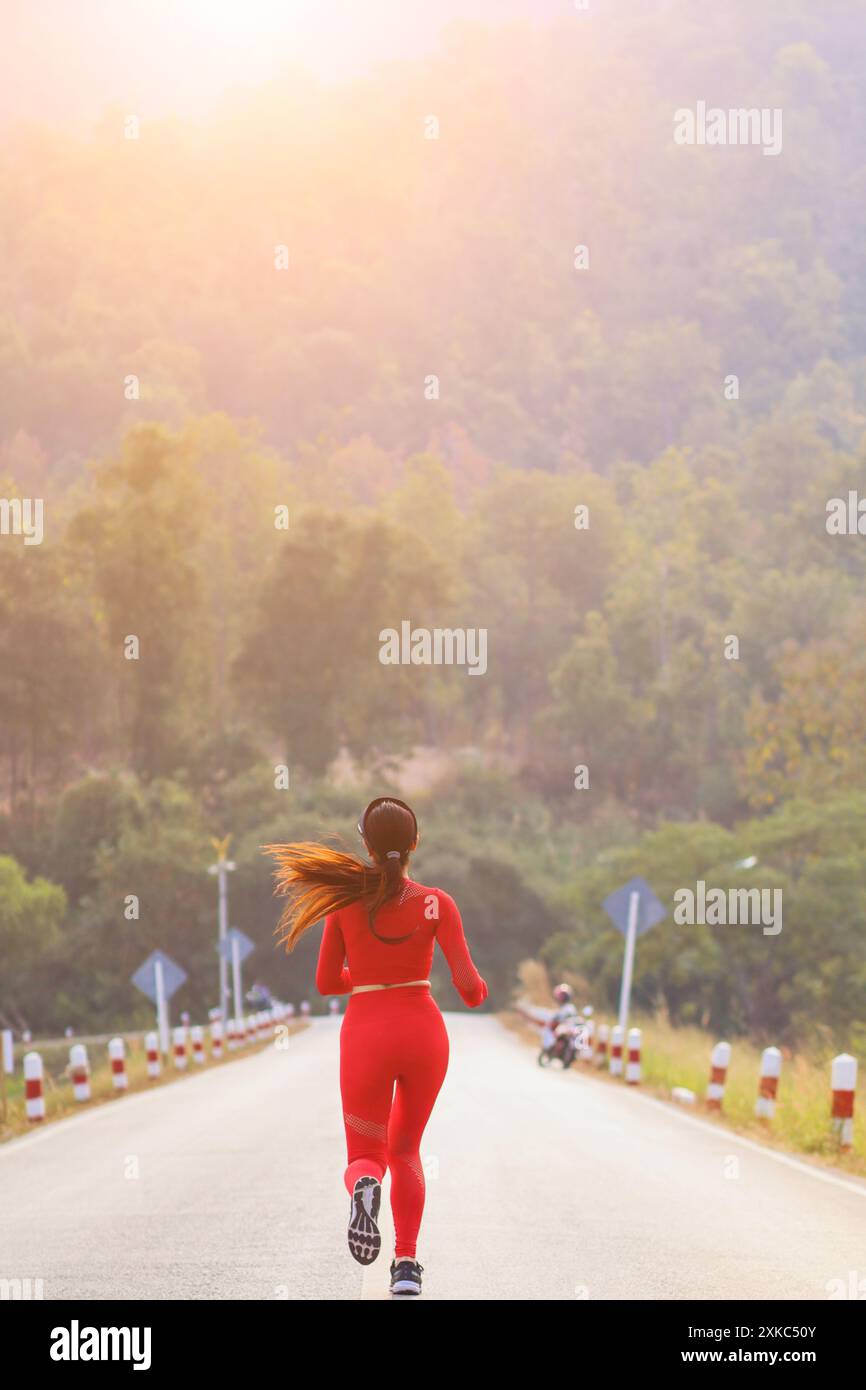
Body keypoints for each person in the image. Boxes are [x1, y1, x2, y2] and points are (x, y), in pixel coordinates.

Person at [264, 797, 487, 1297]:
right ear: (414, 844)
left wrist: (366, 978)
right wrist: (475, 987)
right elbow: (470, 988)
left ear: (365, 844)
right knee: (407, 1147)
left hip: (366, 1033)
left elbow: (325, 982)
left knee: (366, 1153)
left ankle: (365, 1187)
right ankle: (405, 1265)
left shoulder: (344, 904)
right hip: (423, 1033)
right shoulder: (437, 903)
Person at [542, 982, 578, 1053]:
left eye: (563, 996)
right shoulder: (561, 1008)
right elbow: (555, 1017)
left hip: (569, 1027)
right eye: (560, 996)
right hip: (563, 1027)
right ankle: (551, 1047)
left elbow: (573, 1018)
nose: (561, 998)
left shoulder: (570, 1007)